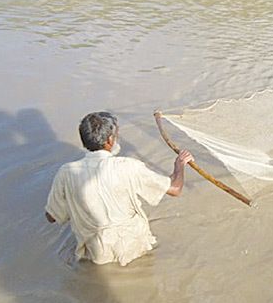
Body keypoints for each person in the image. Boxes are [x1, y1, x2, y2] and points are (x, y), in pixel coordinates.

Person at [45, 111, 195, 266]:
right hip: (134, 248)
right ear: (110, 140)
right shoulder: (128, 166)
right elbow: (175, 188)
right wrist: (179, 165)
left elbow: (51, 217)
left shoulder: (66, 172)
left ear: (84, 141)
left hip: (95, 253)